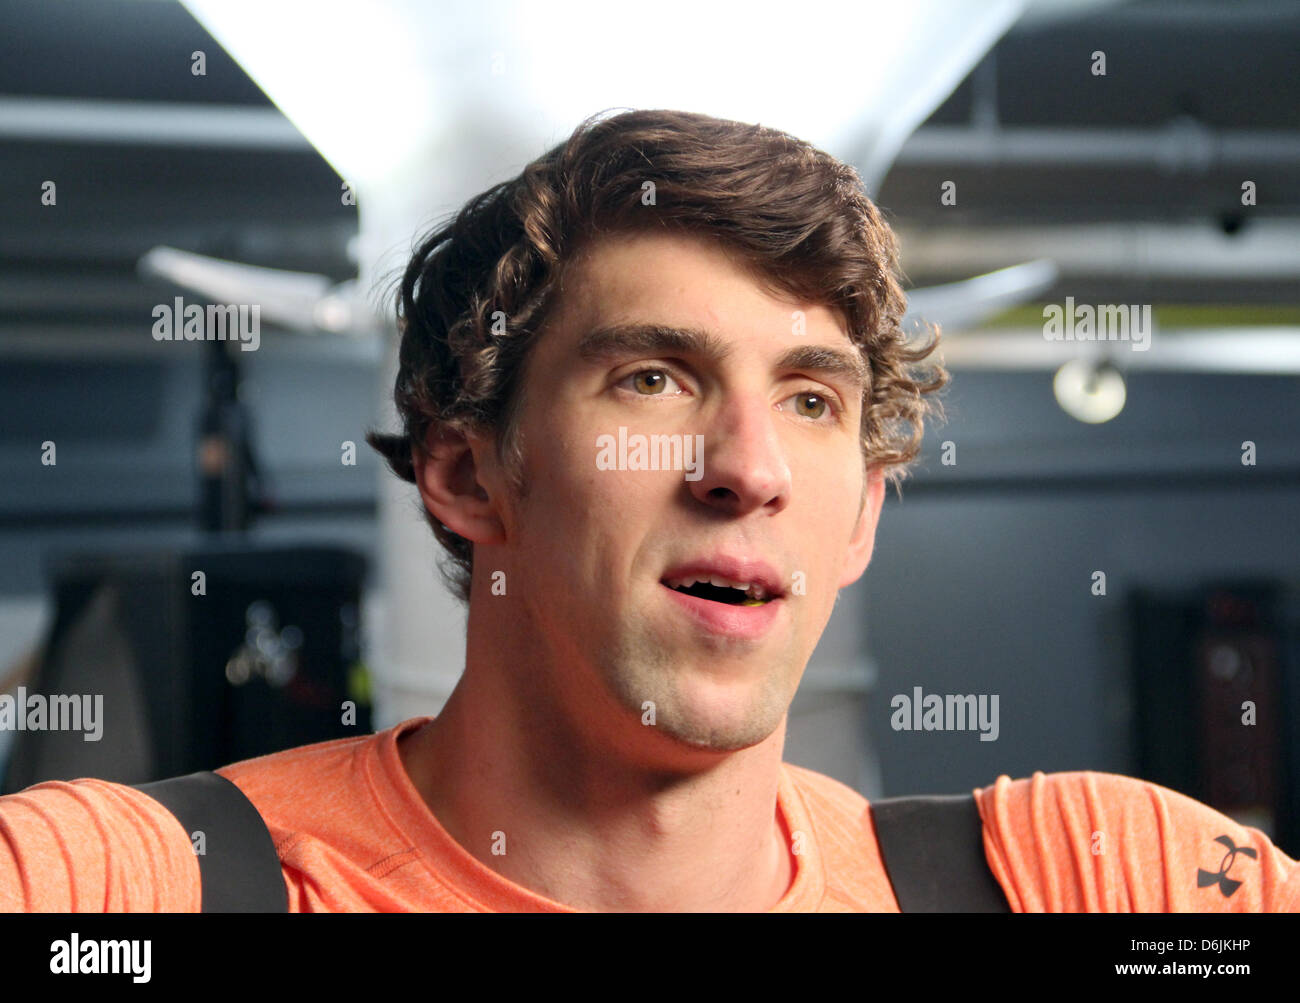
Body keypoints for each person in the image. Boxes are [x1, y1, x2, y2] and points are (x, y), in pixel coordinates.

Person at [2, 109, 1296, 912]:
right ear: (465, 471)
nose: (748, 466)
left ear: (862, 517)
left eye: (810, 398)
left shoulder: (1095, 885)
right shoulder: (137, 896)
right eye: (655, 378)